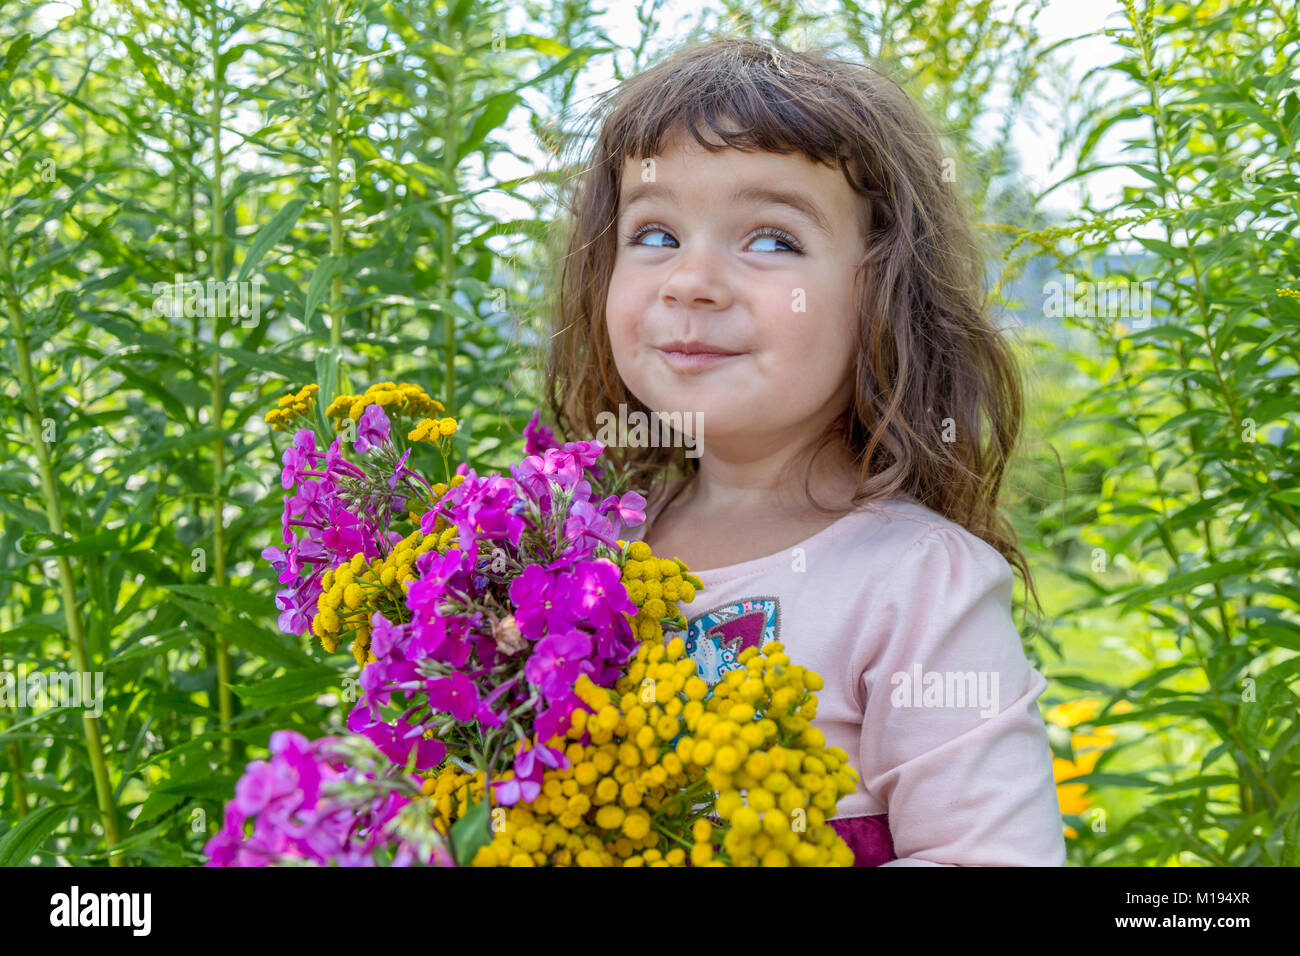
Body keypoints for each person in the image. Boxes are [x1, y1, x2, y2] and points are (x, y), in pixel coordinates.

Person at [540, 37, 1066, 866]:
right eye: (654, 234)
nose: (692, 281)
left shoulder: (917, 581)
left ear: (884, 296)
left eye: (773, 241)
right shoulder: (581, 548)